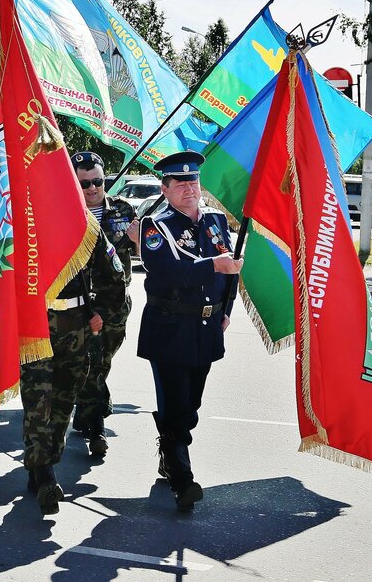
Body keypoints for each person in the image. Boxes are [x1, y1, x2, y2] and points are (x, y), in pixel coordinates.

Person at [138, 150, 242, 512]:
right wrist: (215, 263)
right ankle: (182, 480)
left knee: (191, 405)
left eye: (193, 181)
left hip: (206, 326)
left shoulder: (215, 220)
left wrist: (225, 310)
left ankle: (170, 453)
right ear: (164, 188)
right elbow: (170, 271)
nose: (188, 188)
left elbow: (232, 270)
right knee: (175, 402)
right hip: (170, 326)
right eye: (179, 183)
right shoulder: (157, 225)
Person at [23, 222, 125, 515]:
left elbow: (114, 276)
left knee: (64, 399)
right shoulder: (25, 222)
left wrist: (101, 313)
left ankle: (43, 463)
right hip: (35, 322)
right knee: (38, 398)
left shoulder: (85, 227)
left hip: (75, 325)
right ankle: (44, 474)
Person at [69, 151, 138, 457]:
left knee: (103, 360)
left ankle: (86, 412)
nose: (93, 188)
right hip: (78, 303)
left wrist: (139, 238)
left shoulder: (124, 210)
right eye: (85, 183)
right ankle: (96, 425)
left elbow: (147, 253)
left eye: (98, 181)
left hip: (115, 300)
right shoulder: (64, 212)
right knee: (90, 361)